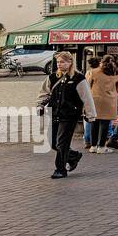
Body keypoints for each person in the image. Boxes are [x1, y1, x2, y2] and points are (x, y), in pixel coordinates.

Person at [40, 51, 93, 179]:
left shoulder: (78, 78)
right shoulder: (52, 77)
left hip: (70, 114)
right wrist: (40, 105)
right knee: (53, 142)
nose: (59, 64)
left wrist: (90, 114)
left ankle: (60, 169)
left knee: (62, 143)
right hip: (54, 112)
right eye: (58, 62)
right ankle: (73, 156)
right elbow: (44, 93)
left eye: (63, 62)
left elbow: (86, 97)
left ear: (70, 63)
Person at [87, 55, 118, 153]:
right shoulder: (116, 72)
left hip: (95, 99)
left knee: (94, 122)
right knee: (105, 123)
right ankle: (101, 146)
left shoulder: (93, 72)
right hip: (109, 101)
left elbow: (88, 85)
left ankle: (93, 146)